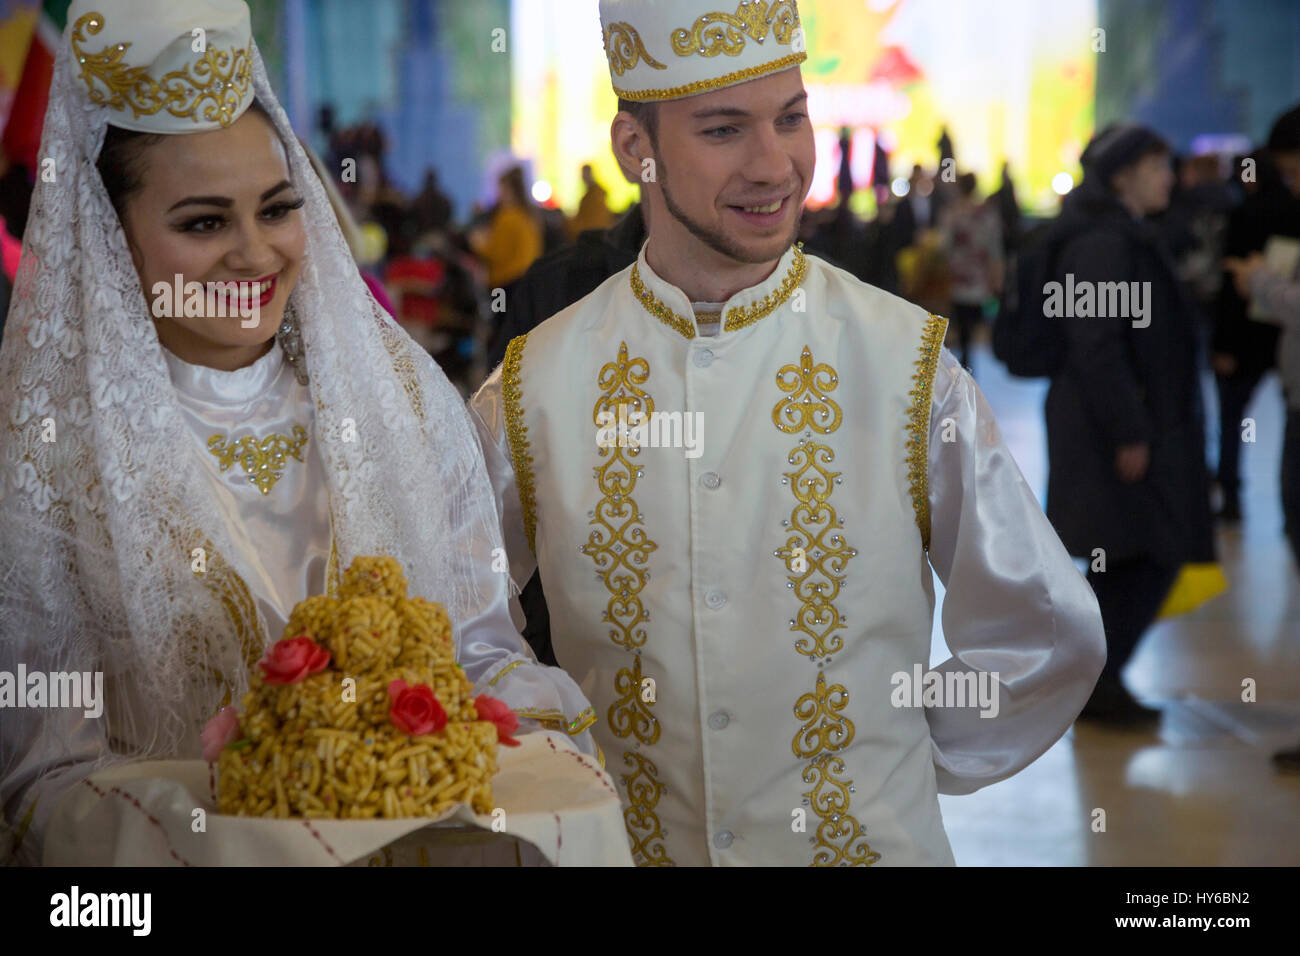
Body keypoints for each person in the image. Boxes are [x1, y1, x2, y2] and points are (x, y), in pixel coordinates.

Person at [470, 0, 1105, 866]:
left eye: (791, 117)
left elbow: (1044, 630)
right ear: (635, 149)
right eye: (724, 129)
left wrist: (884, 755)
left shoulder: (905, 367)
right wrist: (563, 751)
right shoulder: (534, 385)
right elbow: (455, 624)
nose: (775, 164)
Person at [0, 0, 596, 866]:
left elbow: (483, 658)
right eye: (204, 222)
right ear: (110, 237)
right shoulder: (47, 463)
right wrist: (270, 827)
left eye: (277, 209)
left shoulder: (400, 404)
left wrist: (524, 772)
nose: (255, 252)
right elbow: (38, 785)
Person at [1044, 124, 1216, 728]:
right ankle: (1098, 681)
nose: (1169, 178)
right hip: (1112, 430)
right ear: (1123, 176)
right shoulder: (1104, 245)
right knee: (1143, 552)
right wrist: (1129, 432)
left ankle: (1099, 681)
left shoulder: (1124, 236)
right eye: (1157, 167)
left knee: (1128, 554)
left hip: (1126, 423)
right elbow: (1096, 345)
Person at [937, 172, 1003, 370]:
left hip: (958, 278)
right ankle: (968, 360)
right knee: (974, 324)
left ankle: (964, 360)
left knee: (961, 323)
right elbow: (995, 249)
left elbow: (943, 246)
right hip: (979, 279)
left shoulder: (951, 213)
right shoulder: (987, 214)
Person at [470, 166, 543, 290]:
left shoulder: (507, 218)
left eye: (501, 189)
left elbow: (498, 254)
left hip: (506, 281)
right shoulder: (528, 215)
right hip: (528, 278)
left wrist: (478, 244)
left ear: (509, 190)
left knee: (501, 309)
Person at [568, 163, 615, 239]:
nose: (583, 177)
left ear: (591, 174)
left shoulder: (597, 194)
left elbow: (596, 221)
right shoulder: (587, 196)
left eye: (585, 174)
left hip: (595, 236)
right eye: (583, 174)